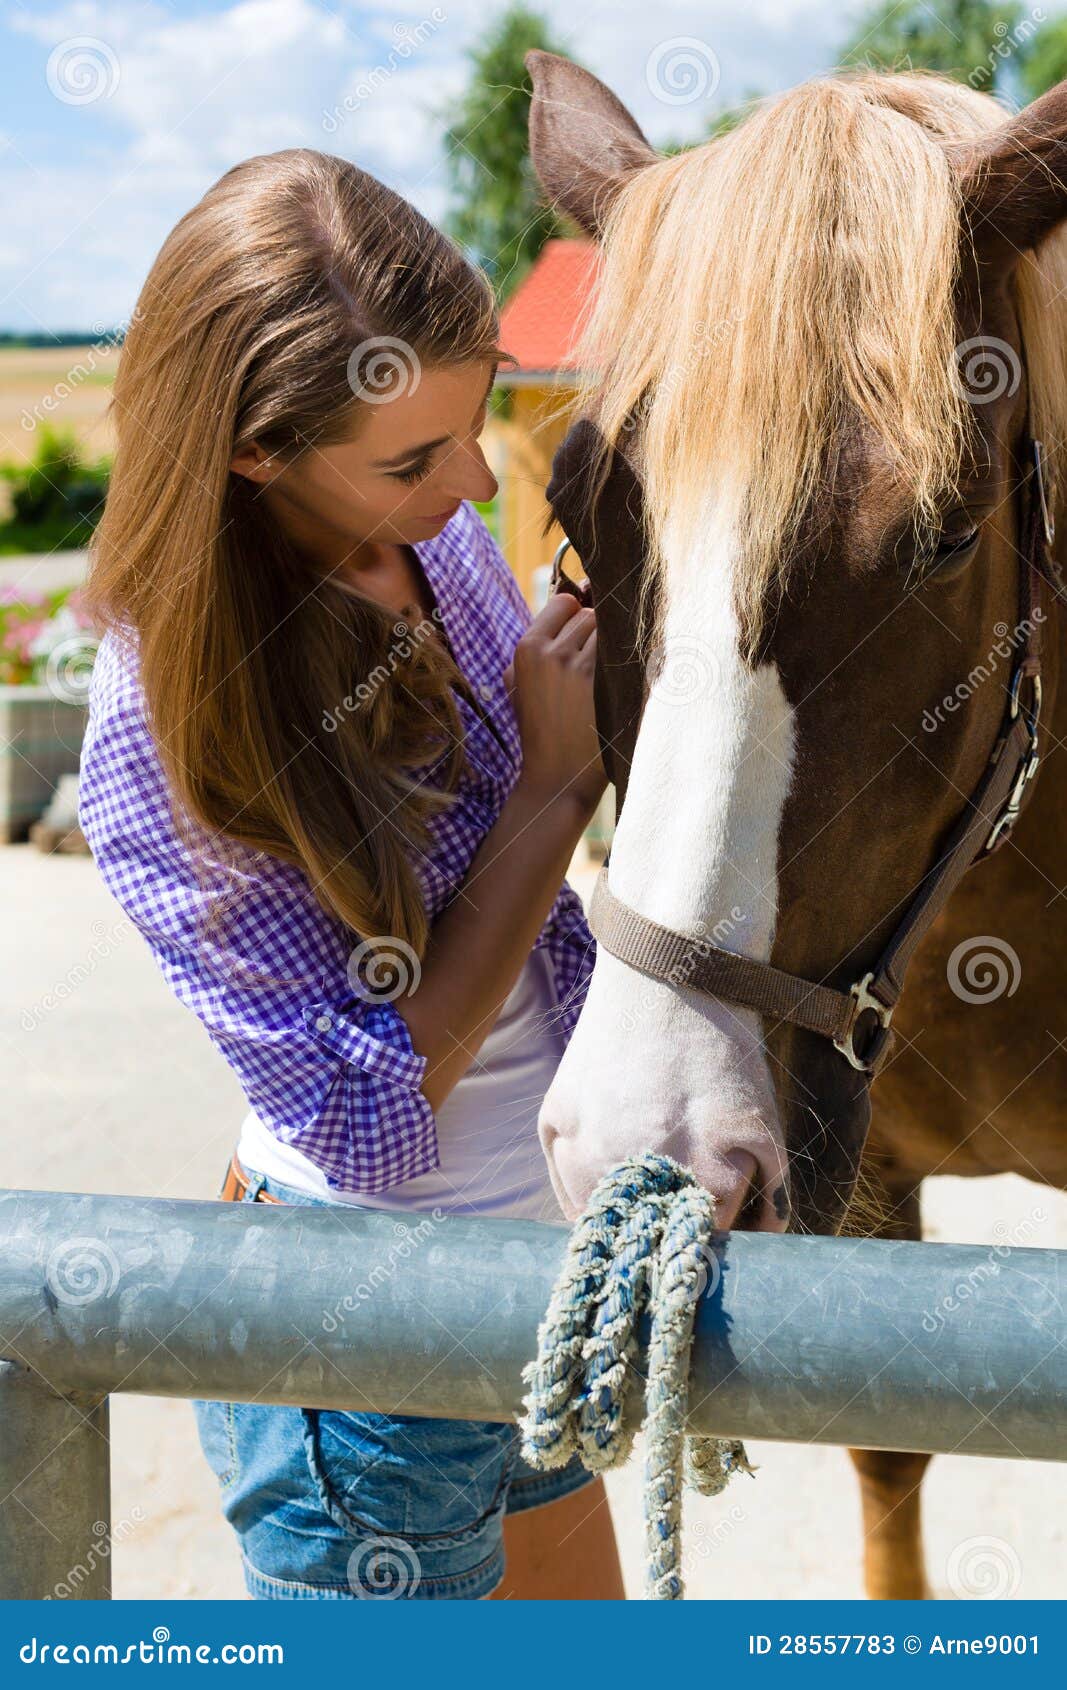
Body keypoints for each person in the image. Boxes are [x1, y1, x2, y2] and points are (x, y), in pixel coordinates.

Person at [79, 147, 623, 1601]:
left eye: (477, 412)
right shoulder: (163, 727)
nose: (471, 483)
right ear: (254, 450)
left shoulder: (438, 549)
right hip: (364, 1371)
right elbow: (364, 1118)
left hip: (534, 1279)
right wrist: (556, 795)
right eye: (408, 458)